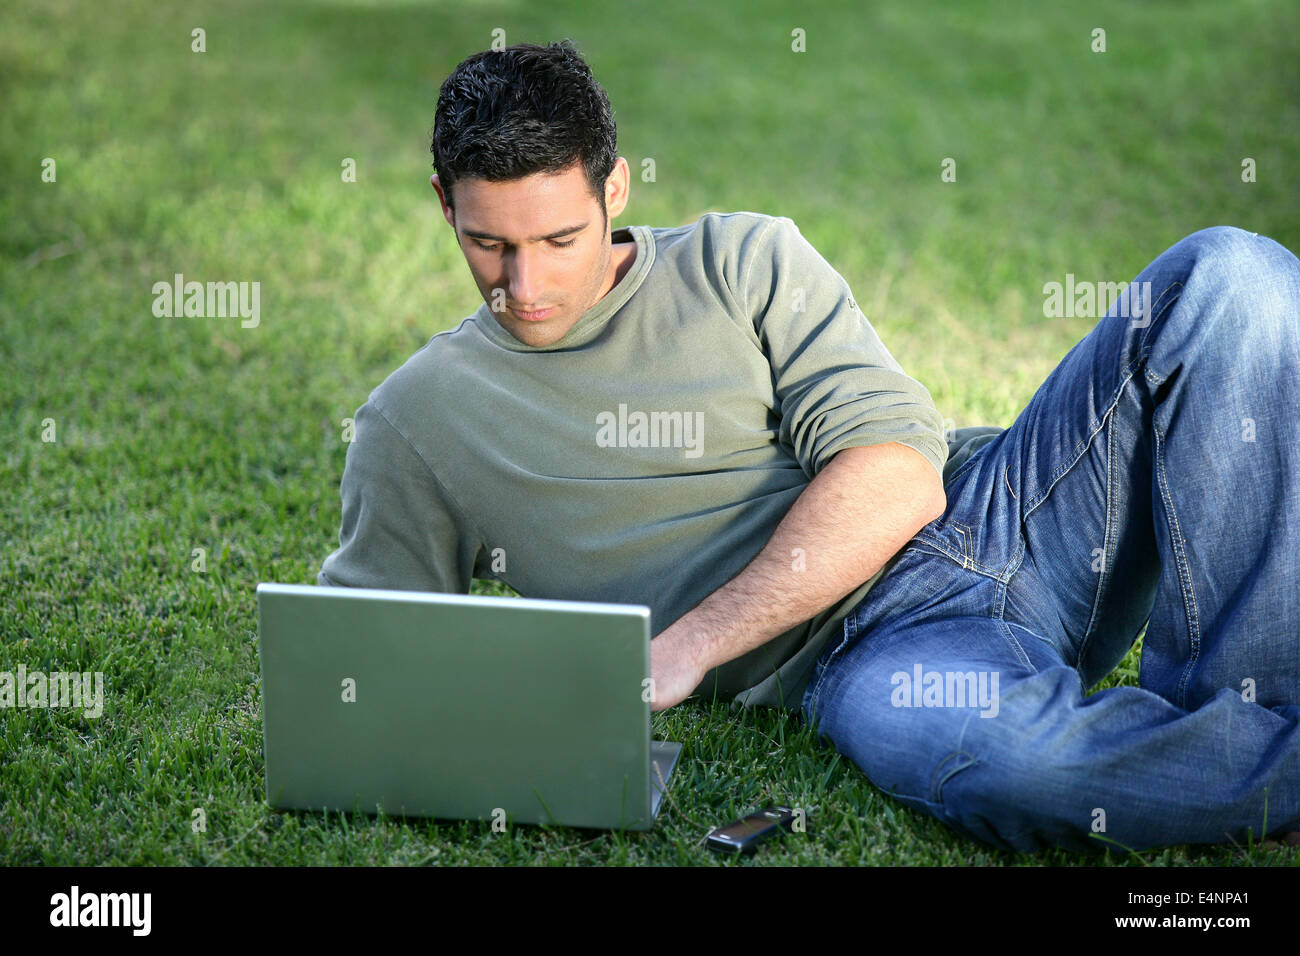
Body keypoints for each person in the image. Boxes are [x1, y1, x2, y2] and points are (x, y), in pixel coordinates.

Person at [317, 39, 1300, 854]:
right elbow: (362, 666)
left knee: (1233, 277)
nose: (524, 282)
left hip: (1004, 515)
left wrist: (687, 645)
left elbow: (899, 480)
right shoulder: (420, 418)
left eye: (560, 239)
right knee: (1019, 764)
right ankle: (1261, 758)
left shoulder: (740, 260)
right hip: (869, 653)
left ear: (613, 186)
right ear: (444, 202)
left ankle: (1250, 699)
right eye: (490, 244)